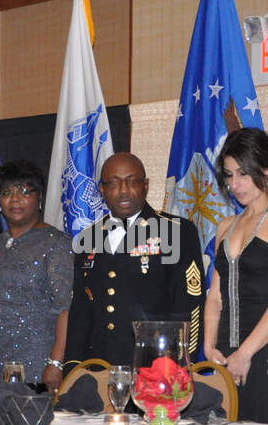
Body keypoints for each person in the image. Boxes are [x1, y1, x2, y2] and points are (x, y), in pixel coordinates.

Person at [204, 129, 268, 425]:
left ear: (266, 170)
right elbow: (215, 297)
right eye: (228, 175)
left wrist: (245, 353)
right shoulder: (225, 226)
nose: (234, 184)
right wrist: (210, 347)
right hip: (225, 356)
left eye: (242, 174)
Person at [66, 153, 205, 365]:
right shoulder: (89, 238)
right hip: (98, 369)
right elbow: (80, 313)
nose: (123, 191)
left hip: (154, 366)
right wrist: (74, 367)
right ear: (101, 190)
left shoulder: (175, 232)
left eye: (132, 182)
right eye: (113, 183)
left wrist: (181, 365)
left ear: (146, 186)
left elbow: (190, 306)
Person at [0, 160, 73, 390]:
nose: (15, 199)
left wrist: (56, 363)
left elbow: (65, 309)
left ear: (40, 198)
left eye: (25, 191)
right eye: (7, 192)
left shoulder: (55, 243)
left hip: (39, 372)